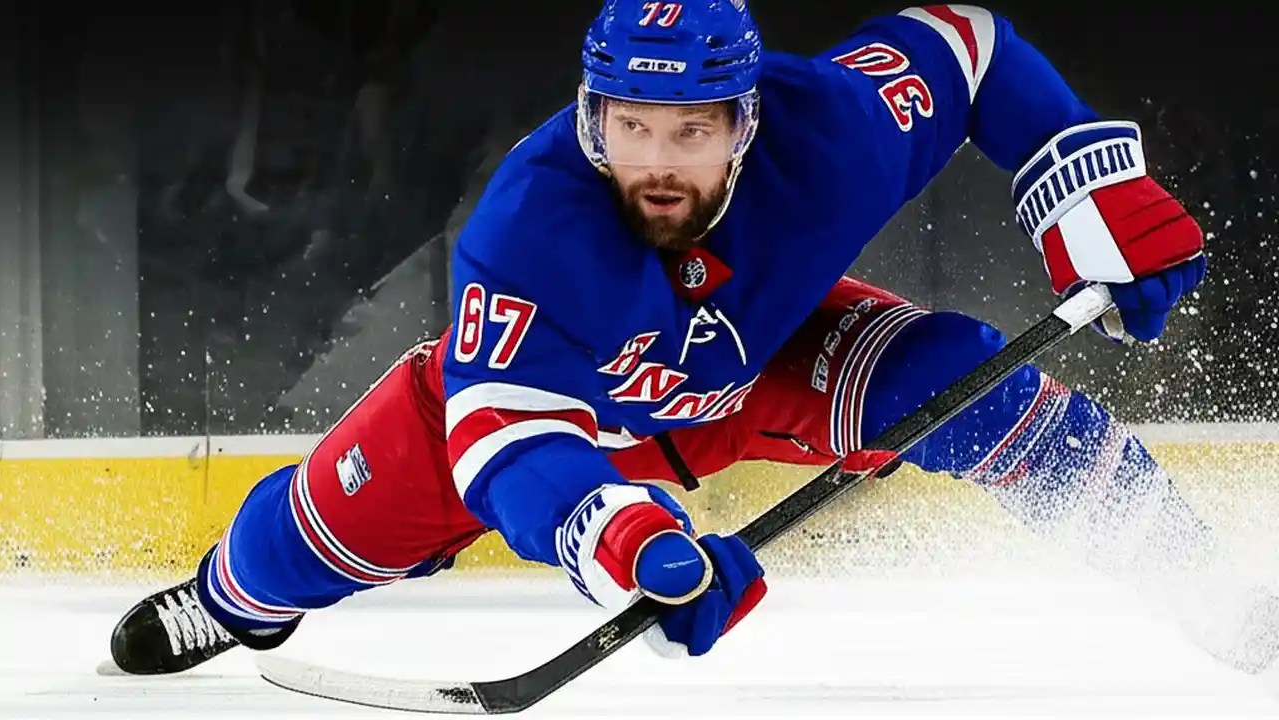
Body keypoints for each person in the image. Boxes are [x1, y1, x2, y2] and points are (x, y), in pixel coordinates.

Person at [112, 0, 1261, 680]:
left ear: (745, 122)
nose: (658, 160)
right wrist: (628, 548)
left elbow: (966, 47)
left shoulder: (830, 129)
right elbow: (505, 438)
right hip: (537, 411)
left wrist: (1079, 188)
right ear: (591, 118)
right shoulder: (528, 229)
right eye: (631, 127)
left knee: (975, 392)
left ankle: (1203, 585)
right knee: (291, 545)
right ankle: (233, 597)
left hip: (763, 361)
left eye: (693, 131)